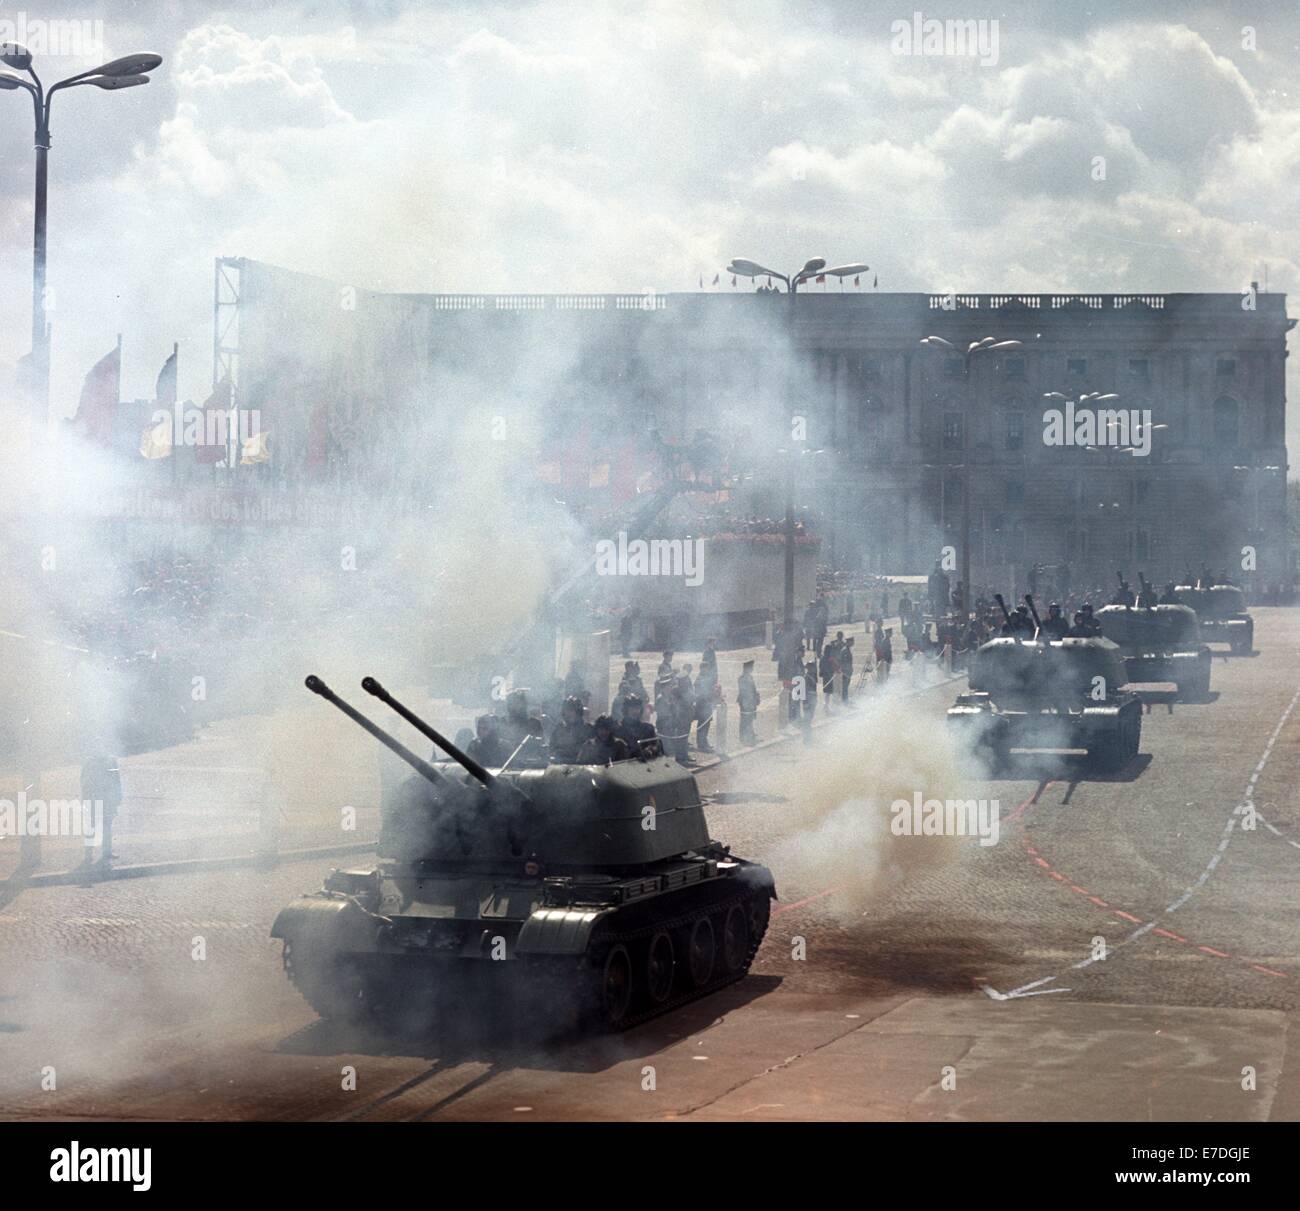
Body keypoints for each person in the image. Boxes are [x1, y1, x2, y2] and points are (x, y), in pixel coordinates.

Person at [80, 750, 122, 868]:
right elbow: (83, 781)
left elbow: (116, 780)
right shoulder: (89, 762)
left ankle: (106, 852)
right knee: (92, 827)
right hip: (94, 799)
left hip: (107, 799)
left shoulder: (111, 760)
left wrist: (118, 796)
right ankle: (88, 855)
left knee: (106, 827)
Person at [549, 695, 594, 762]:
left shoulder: (587, 728)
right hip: (562, 765)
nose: (568, 713)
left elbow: (592, 749)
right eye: (566, 710)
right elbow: (552, 747)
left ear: (578, 712)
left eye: (571, 710)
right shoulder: (559, 728)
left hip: (582, 766)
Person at [615, 693, 661, 758]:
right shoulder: (618, 729)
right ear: (626, 710)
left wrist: (651, 750)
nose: (635, 711)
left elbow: (657, 746)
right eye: (632, 708)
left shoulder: (648, 728)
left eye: (637, 708)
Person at [737, 659, 760, 745]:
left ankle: (750, 733)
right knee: (744, 719)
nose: (752, 669)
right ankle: (743, 735)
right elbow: (743, 691)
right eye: (751, 668)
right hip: (745, 701)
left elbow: (753, 689)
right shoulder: (742, 678)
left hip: (751, 701)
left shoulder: (750, 677)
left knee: (750, 718)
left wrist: (756, 696)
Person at [839, 636, 855, 703]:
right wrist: (846, 671)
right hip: (845, 671)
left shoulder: (847, 649)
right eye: (852, 641)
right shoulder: (845, 650)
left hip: (848, 671)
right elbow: (844, 662)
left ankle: (845, 698)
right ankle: (844, 700)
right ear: (849, 642)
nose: (853, 643)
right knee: (845, 686)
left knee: (846, 686)